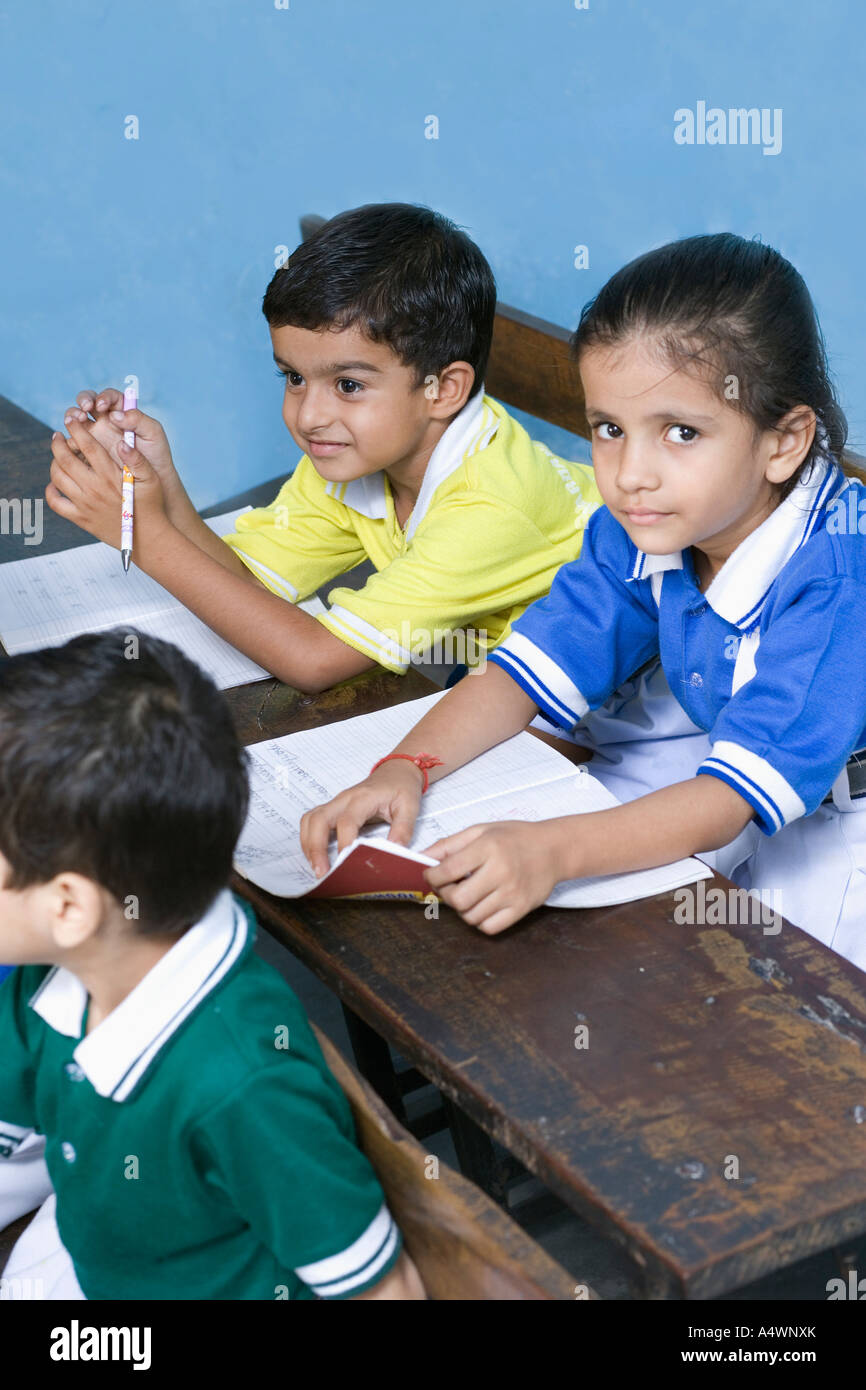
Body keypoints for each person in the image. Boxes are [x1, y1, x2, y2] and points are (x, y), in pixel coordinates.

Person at [299, 233, 866, 969]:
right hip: (730, 754)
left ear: (784, 442)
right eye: (609, 429)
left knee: (784, 994)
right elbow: (523, 672)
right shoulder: (649, 522)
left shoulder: (838, 577)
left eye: (682, 432)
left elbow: (732, 799)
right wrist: (405, 767)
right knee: (560, 904)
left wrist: (553, 852)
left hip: (839, 811)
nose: (631, 474)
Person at [0, 630, 424, 1299]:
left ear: (70, 906)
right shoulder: (53, 971)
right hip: (96, 1249)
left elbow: (384, 1289)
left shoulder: (242, 1086)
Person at [46, 203, 601, 693]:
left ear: (443, 389)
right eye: (292, 377)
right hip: (506, 676)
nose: (308, 416)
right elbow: (249, 582)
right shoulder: (353, 452)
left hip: (621, 700)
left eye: (349, 385)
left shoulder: (492, 506)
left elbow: (314, 661)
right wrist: (159, 486)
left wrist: (142, 534)